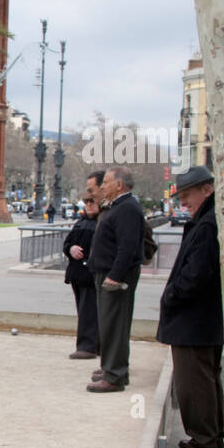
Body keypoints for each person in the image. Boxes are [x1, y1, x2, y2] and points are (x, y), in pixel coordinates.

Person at [158, 166, 224, 448]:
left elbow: (196, 275)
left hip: (194, 322)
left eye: (187, 197)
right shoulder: (208, 221)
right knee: (205, 380)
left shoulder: (208, 225)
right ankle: (209, 439)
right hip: (200, 321)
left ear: (206, 190)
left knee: (194, 383)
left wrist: (172, 295)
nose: (184, 204)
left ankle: (204, 442)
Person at [86, 166, 145, 392]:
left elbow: (127, 247)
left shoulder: (127, 208)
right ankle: (110, 367)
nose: (102, 187)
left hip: (115, 277)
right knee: (108, 324)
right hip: (107, 273)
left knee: (115, 325)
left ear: (119, 185)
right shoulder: (120, 206)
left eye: (106, 183)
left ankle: (115, 375)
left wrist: (114, 276)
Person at [63, 195, 100, 360]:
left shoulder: (101, 223)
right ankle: (90, 344)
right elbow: (67, 243)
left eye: (92, 203)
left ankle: (88, 346)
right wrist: (71, 249)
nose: (89, 206)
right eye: (87, 203)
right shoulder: (81, 222)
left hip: (90, 274)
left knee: (89, 311)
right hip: (78, 273)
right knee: (83, 310)